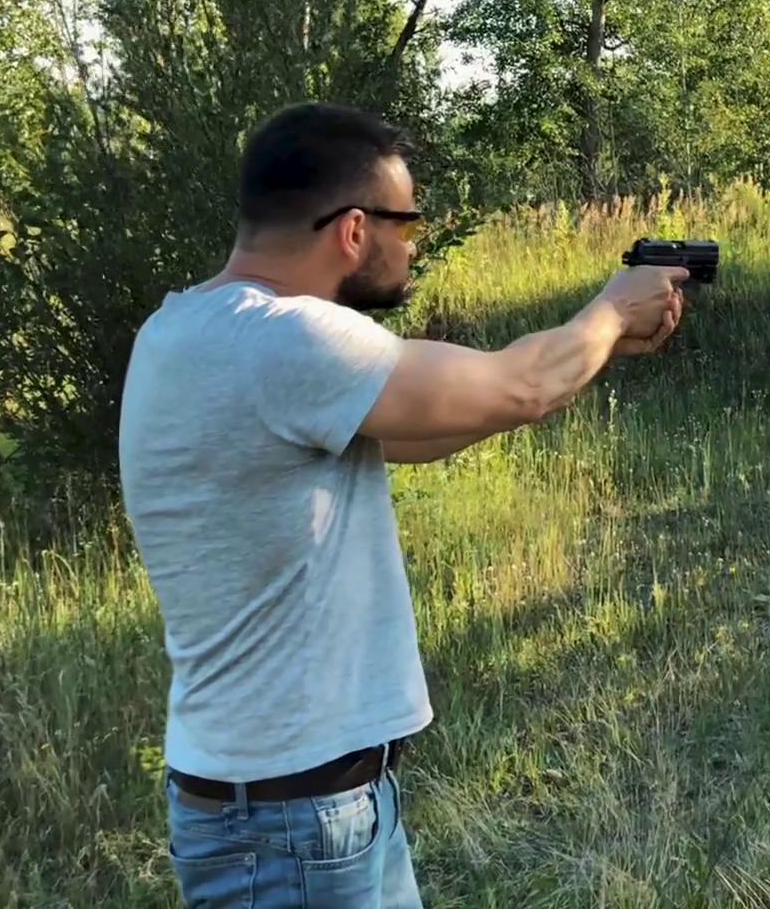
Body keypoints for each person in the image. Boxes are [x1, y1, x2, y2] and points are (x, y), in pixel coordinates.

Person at [117, 101, 688, 907]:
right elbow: (516, 385)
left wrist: (592, 352)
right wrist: (611, 309)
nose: (413, 244)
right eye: (407, 223)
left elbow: (435, 423)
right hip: (293, 824)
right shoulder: (287, 338)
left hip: (297, 808)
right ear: (353, 230)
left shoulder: (186, 330)